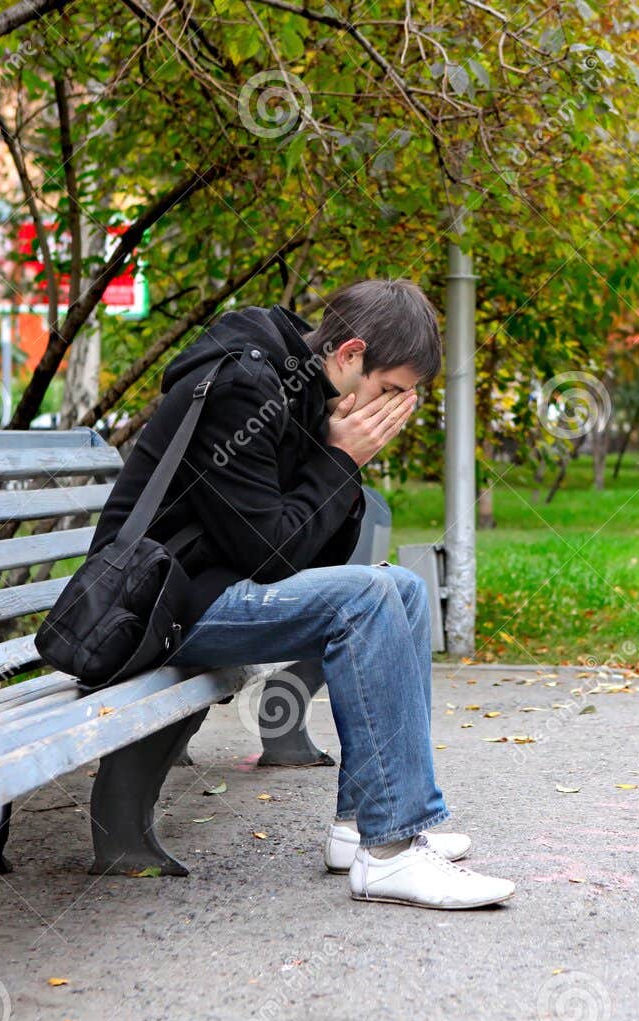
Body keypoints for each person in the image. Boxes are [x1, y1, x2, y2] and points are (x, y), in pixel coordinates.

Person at [90, 279, 515, 910]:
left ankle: (360, 822)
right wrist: (340, 460)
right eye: (389, 391)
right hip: (156, 606)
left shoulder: (302, 390)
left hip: (212, 588)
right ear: (350, 354)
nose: (390, 411)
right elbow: (270, 556)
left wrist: (339, 457)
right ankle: (391, 852)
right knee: (369, 597)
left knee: (401, 589)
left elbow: (306, 553)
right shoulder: (242, 391)